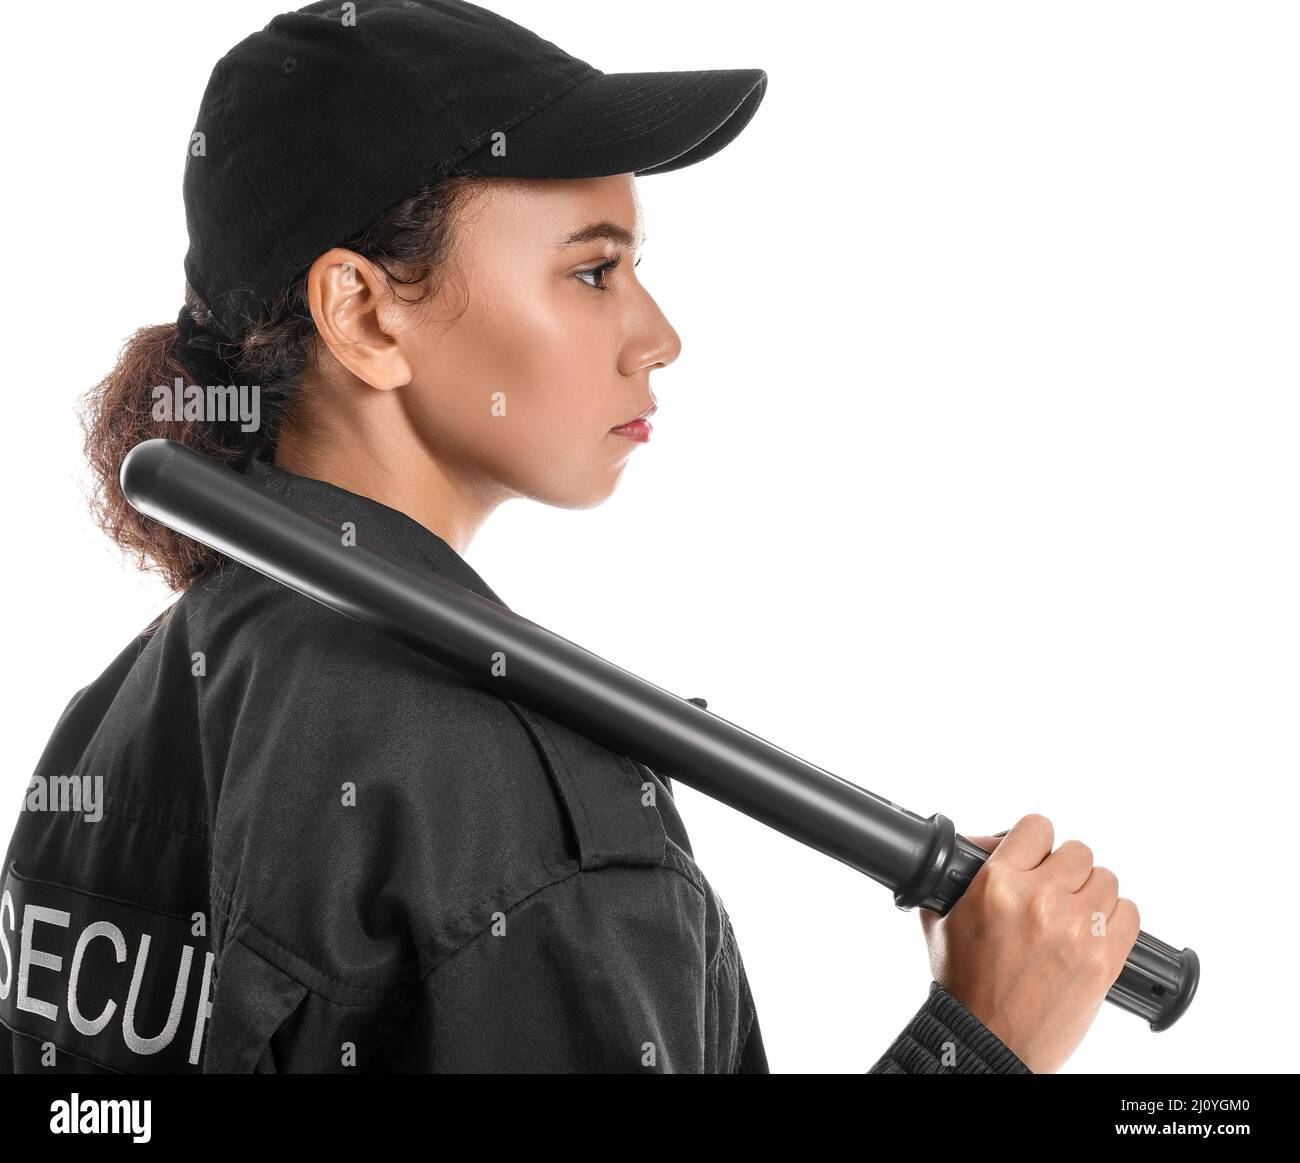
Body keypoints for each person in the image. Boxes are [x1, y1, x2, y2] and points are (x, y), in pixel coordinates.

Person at [0, 0, 1140, 1074]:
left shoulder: (121, 713)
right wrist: (981, 1039)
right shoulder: (525, 799)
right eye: (592, 270)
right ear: (362, 312)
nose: (658, 336)